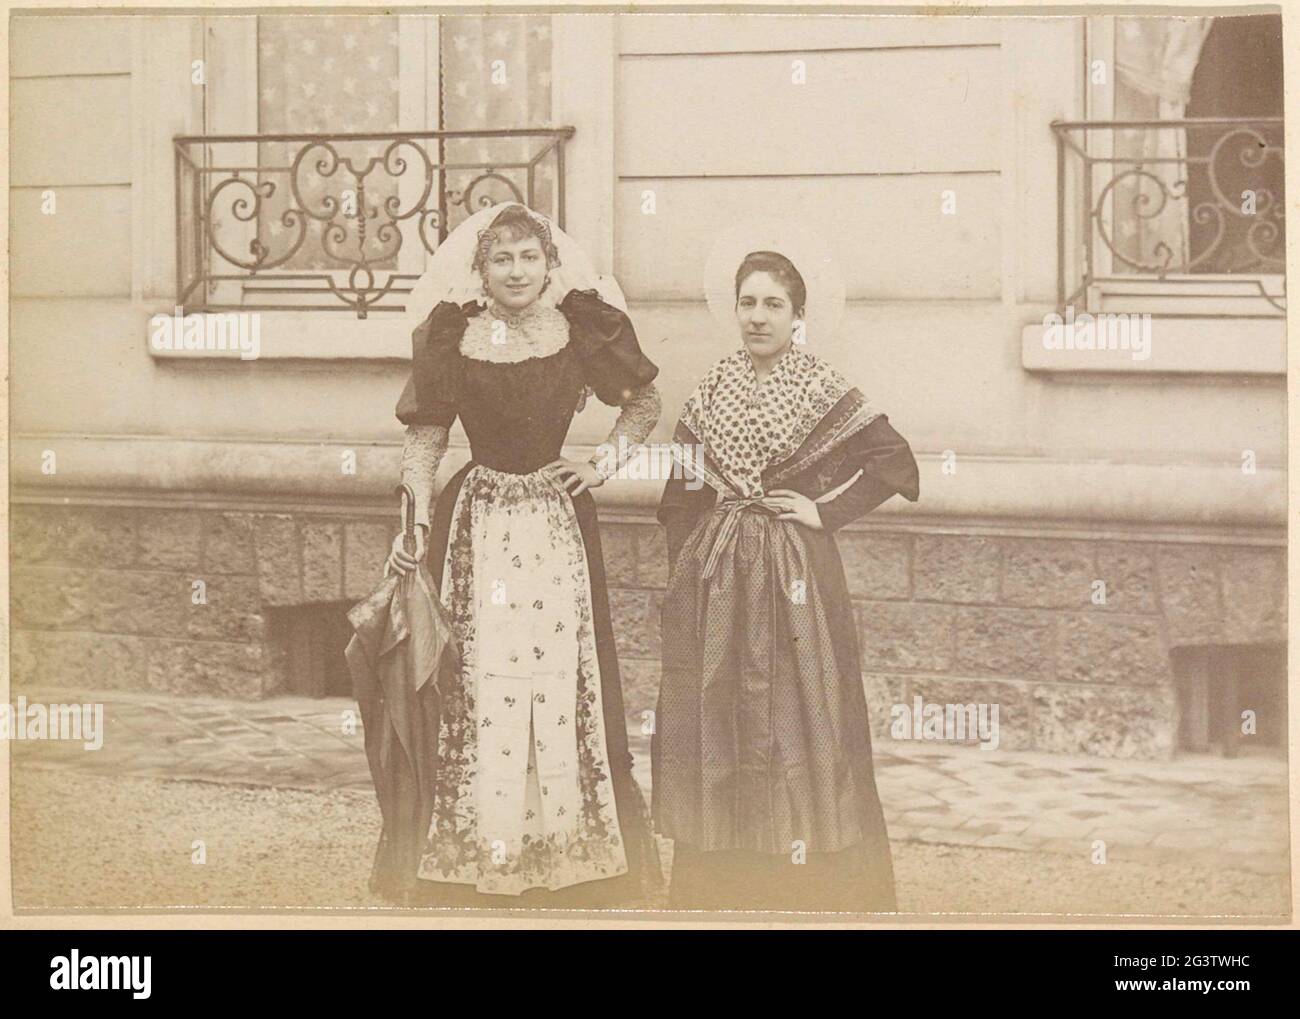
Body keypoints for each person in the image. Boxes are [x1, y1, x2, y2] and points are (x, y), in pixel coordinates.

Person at [382, 202, 663, 907]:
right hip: (474, 525)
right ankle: (480, 848)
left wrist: (601, 465)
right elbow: (425, 436)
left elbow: (643, 402)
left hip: (555, 523)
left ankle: (567, 851)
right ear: (480, 269)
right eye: (501, 259)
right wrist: (415, 518)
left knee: (562, 672)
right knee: (476, 674)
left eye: (528, 257)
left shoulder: (580, 329)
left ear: (549, 264)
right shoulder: (454, 336)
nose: (516, 271)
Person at [654, 249, 919, 912]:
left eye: (774, 304)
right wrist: (685, 571)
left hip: (797, 577)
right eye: (748, 302)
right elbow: (680, 488)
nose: (758, 317)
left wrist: (823, 512)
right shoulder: (712, 389)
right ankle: (729, 877)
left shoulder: (820, 387)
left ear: (798, 316)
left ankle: (812, 878)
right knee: (721, 712)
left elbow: (896, 464)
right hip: (721, 583)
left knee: (804, 713)